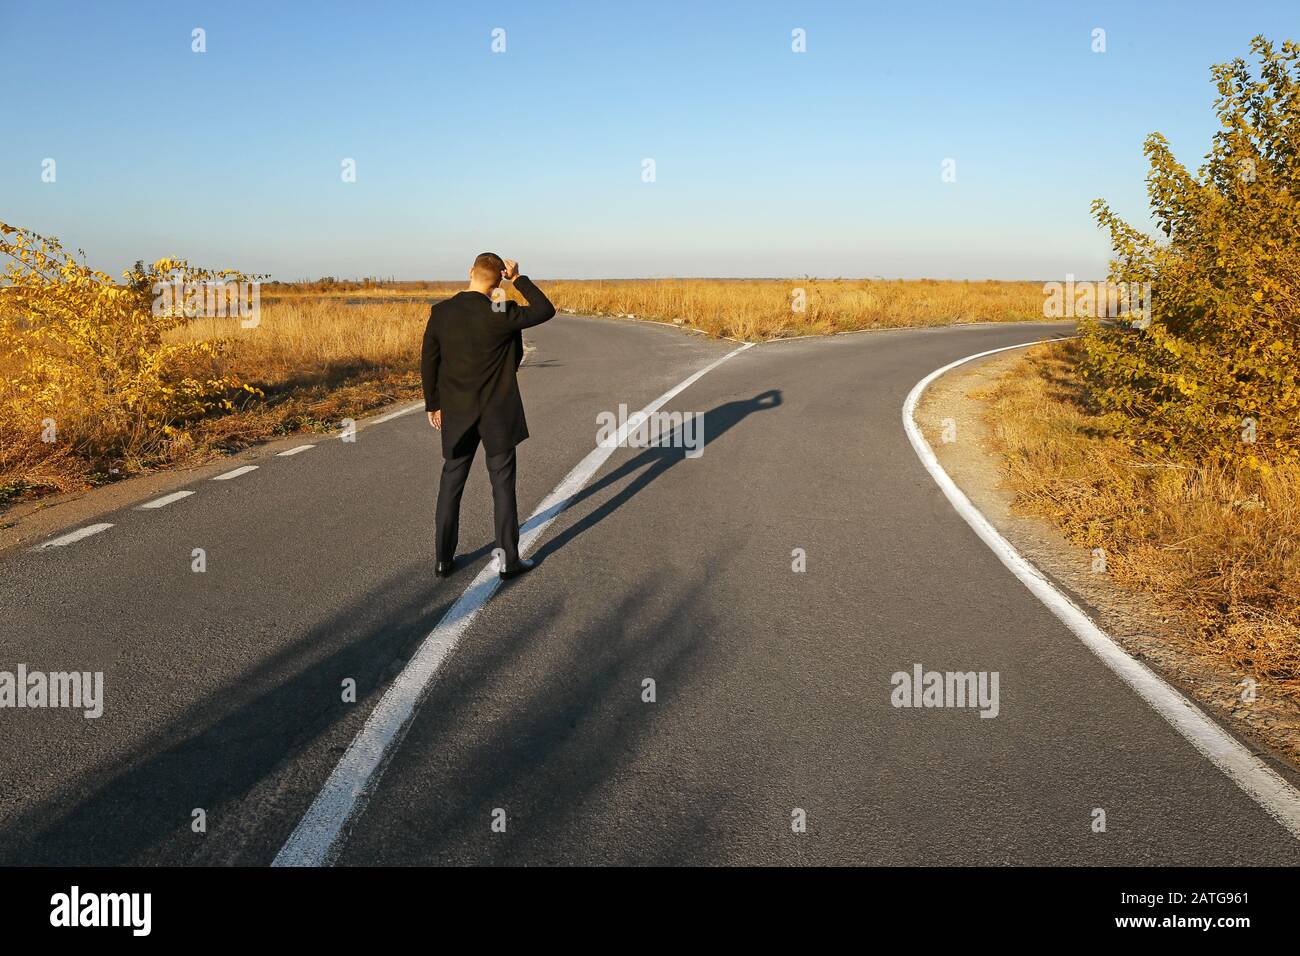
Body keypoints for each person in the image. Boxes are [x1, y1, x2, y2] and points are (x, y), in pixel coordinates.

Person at [420, 253, 556, 580]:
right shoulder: (500, 311)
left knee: (451, 483)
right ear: (498, 279)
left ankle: (443, 559)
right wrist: (518, 280)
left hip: (457, 413)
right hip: (497, 413)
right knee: (502, 487)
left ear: (470, 272)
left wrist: (433, 404)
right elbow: (544, 309)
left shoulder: (441, 313)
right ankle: (508, 561)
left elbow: (429, 362)